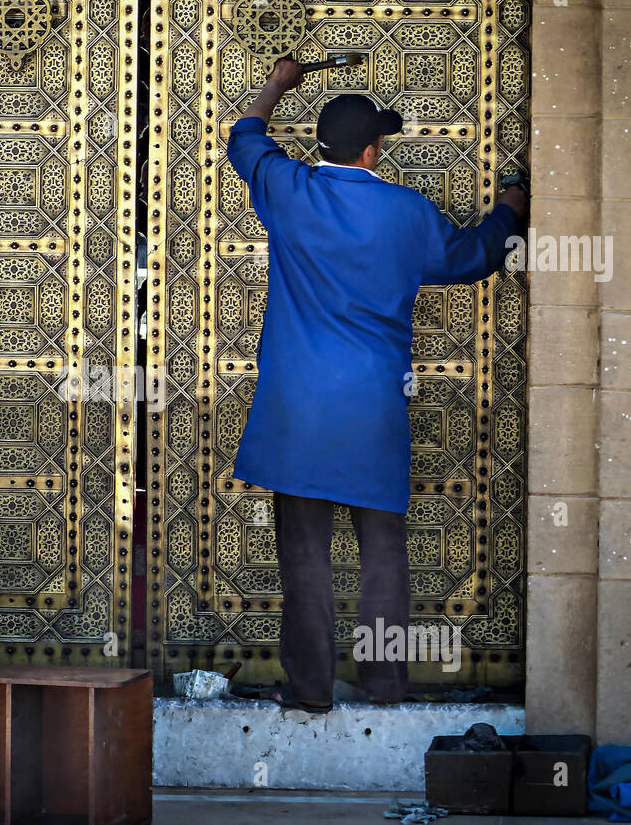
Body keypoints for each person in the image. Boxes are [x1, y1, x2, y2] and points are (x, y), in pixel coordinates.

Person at [226, 57, 528, 713]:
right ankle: (385, 682)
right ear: (371, 151)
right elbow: (475, 255)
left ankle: (308, 691)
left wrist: (279, 83)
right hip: (372, 410)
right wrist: (512, 206)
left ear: (323, 148)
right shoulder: (405, 211)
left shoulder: (289, 190)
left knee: (304, 557)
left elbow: (244, 139)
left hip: (298, 411)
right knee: (384, 556)